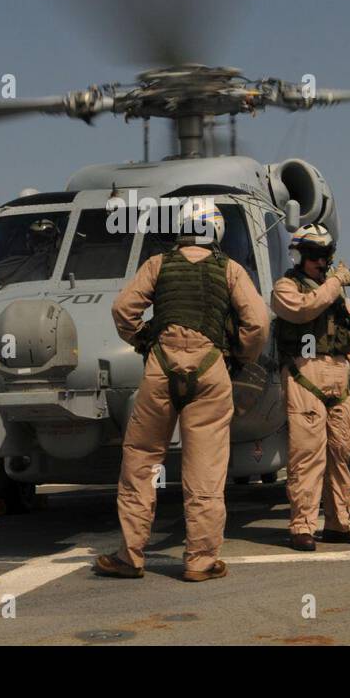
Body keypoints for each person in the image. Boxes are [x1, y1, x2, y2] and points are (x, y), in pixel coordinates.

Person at [96, 197, 269, 581]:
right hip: (211, 370)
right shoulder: (231, 269)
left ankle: (130, 555)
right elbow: (257, 324)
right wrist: (240, 355)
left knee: (141, 459)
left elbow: (123, 310)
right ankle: (200, 562)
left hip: (161, 367)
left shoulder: (158, 264)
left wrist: (142, 341)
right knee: (205, 470)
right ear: (216, 232)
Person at [272, 224, 350, 551]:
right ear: (300, 256)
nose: (322, 262)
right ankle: (302, 526)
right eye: (315, 256)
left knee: (340, 454)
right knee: (306, 456)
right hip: (305, 373)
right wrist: (334, 282)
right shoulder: (286, 288)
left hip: (338, 374)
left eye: (326, 255)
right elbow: (304, 310)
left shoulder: (336, 293)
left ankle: (339, 524)